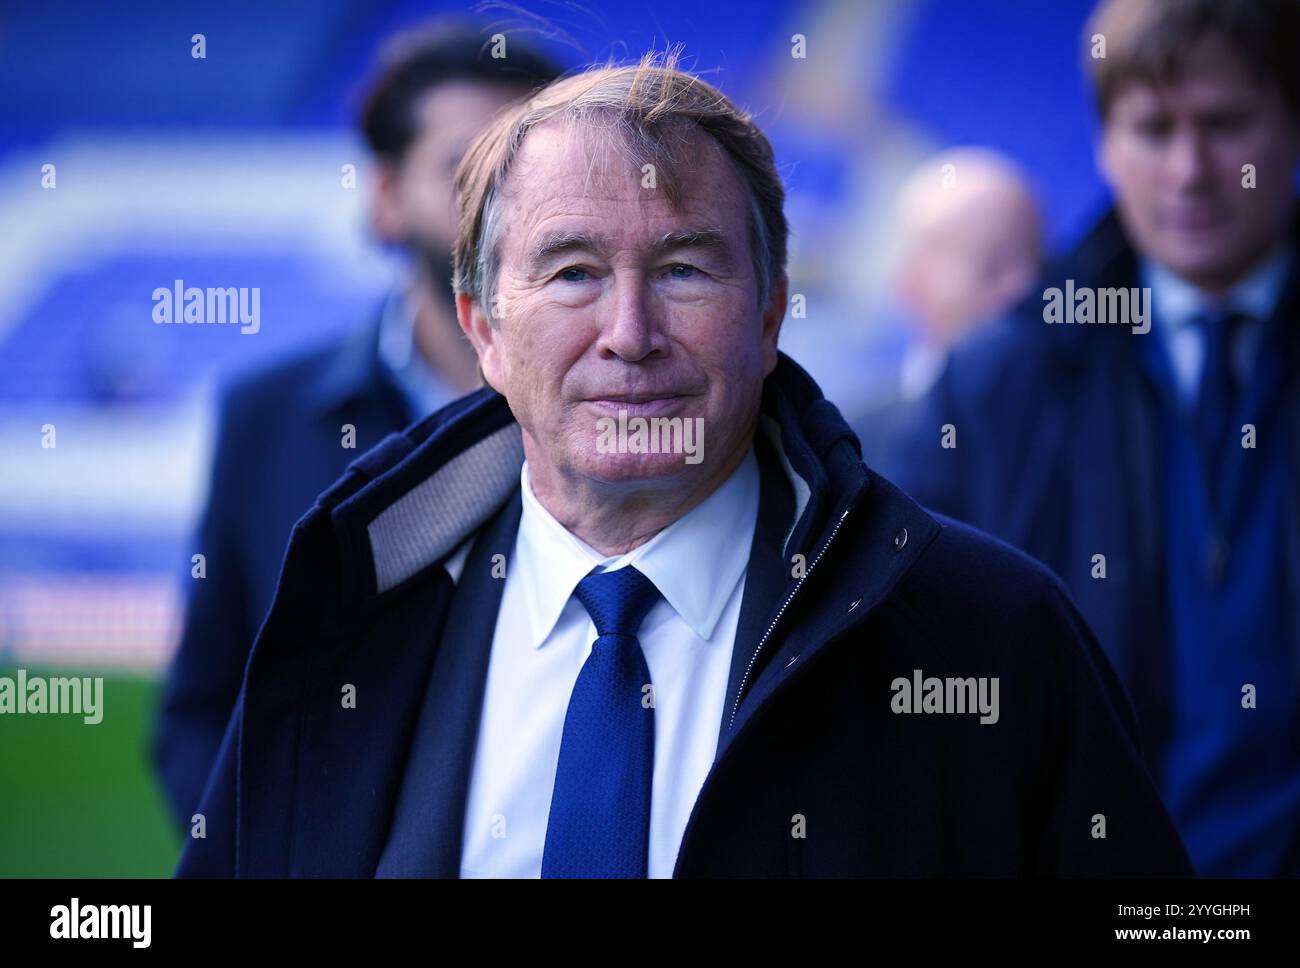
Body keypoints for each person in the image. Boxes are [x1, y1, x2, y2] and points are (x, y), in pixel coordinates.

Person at [176, 54, 1192, 878]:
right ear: (483, 327)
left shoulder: (990, 632)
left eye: (684, 269)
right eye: (572, 271)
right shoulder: (350, 615)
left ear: (768, 311)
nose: (629, 332)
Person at [896, 0, 1300, 877]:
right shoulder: (1001, 381)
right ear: (1105, 145)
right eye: (1154, 129)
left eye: (1224, 123)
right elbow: (901, 668)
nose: (1190, 170)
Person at [152, 21, 559, 831]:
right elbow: (202, 708)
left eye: (533, 166)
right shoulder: (268, 417)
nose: (508, 201)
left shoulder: (638, 411)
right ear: (384, 199)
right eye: (464, 167)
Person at [851, 147, 1042, 476]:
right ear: (911, 281)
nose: (1023, 289)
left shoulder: (1091, 411)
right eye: (991, 267)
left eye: (1037, 263)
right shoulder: (852, 442)